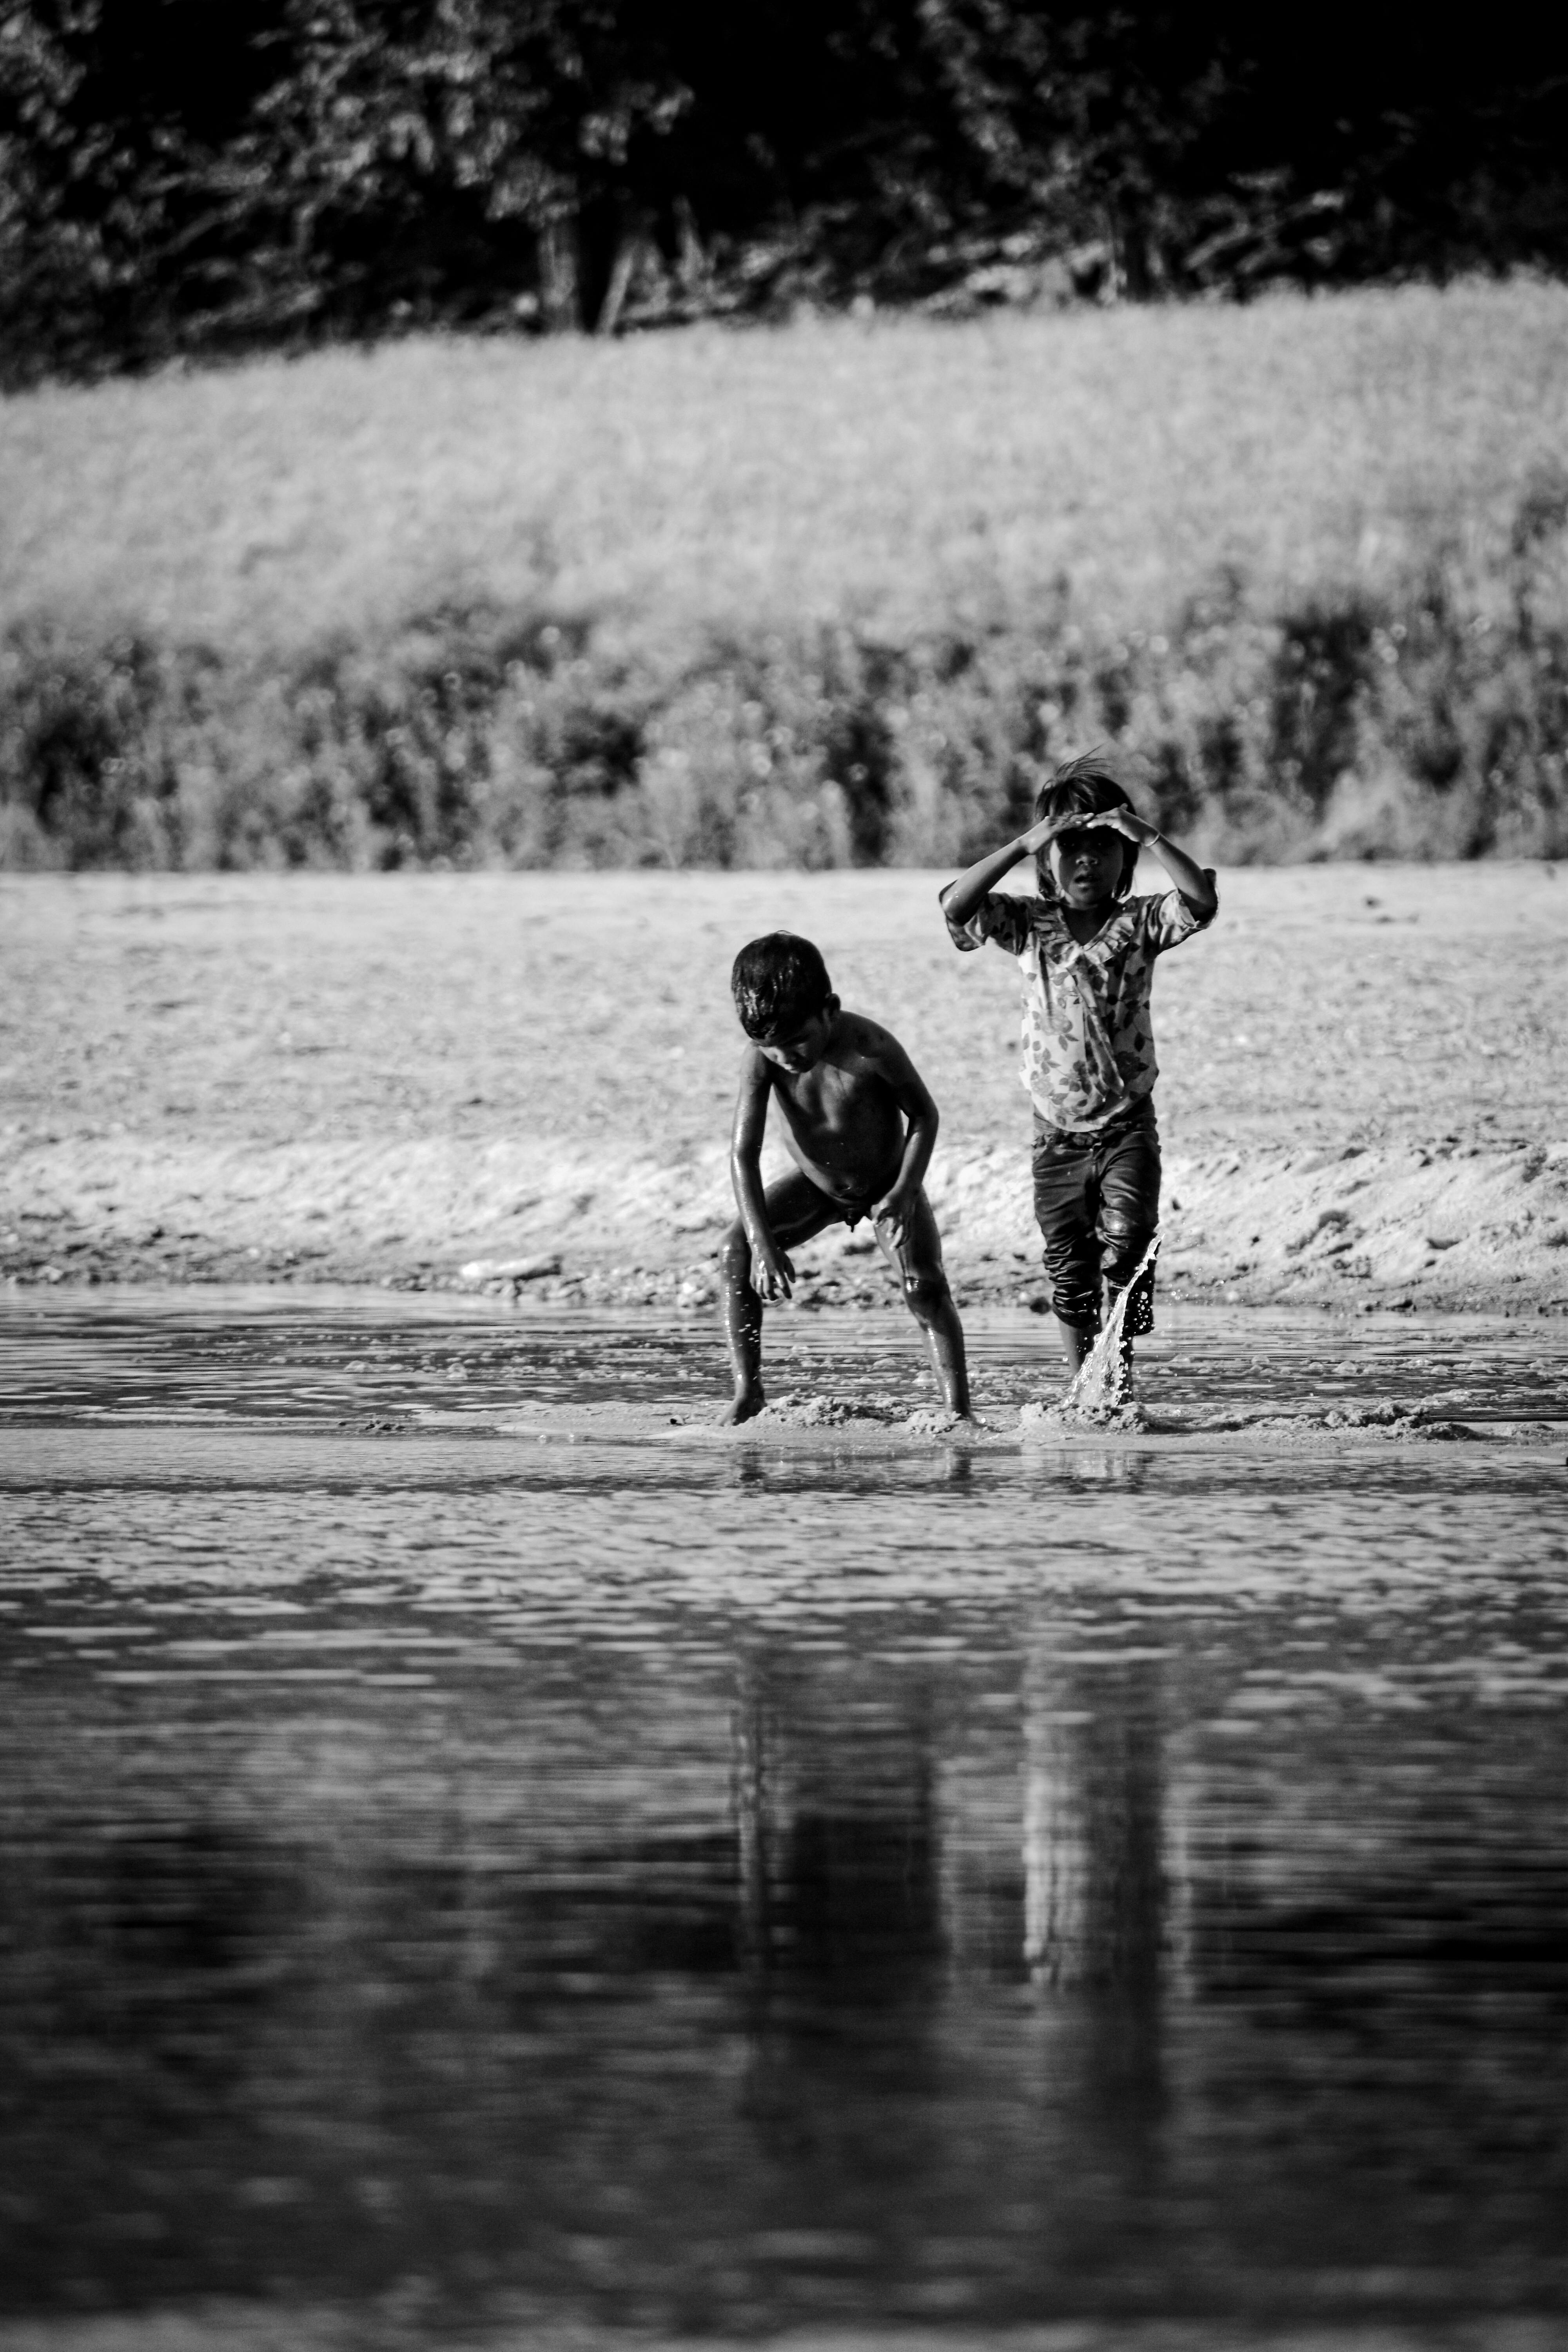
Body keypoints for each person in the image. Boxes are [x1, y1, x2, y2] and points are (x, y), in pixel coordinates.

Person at [940, 753, 1217, 1397]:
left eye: (1103, 847)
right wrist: (1025, 842)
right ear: (1047, 861)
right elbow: (957, 906)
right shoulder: (1029, 925)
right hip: (1055, 1134)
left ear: (1125, 859)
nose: (1087, 860)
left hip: (1126, 1125)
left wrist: (1146, 834)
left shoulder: (1141, 922)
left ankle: (1117, 1378)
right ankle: (1080, 1387)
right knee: (1070, 1266)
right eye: (1070, 848)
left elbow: (1199, 899)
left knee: (1127, 1247)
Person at [719, 932, 971, 1425]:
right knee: (735, 1251)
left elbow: (924, 1116)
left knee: (923, 1285)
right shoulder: (760, 1059)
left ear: (830, 1009)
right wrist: (761, 1240)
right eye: (771, 1049)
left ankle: (958, 1412)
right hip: (818, 1186)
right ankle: (748, 1393)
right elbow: (742, 1153)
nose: (786, 1058)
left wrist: (902, 1193)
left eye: (797, 1042)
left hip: (886, 1186)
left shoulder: (870, 1046)